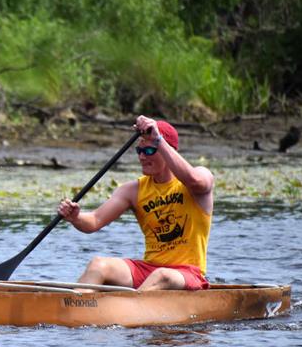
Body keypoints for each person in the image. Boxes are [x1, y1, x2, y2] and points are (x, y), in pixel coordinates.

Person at [57, 115, 214, 291]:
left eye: (148, 151)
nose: (141, 157)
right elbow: (94, 220)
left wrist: (158, 140)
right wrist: (75, 217)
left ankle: (125, 312)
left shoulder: (200, 176)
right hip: (149, 270)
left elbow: (195, 181)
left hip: (188, 274)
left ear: (167, 149)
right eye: (139, 150)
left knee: (162, 275)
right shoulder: (133, 190)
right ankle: (71, 308)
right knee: (98, 265)